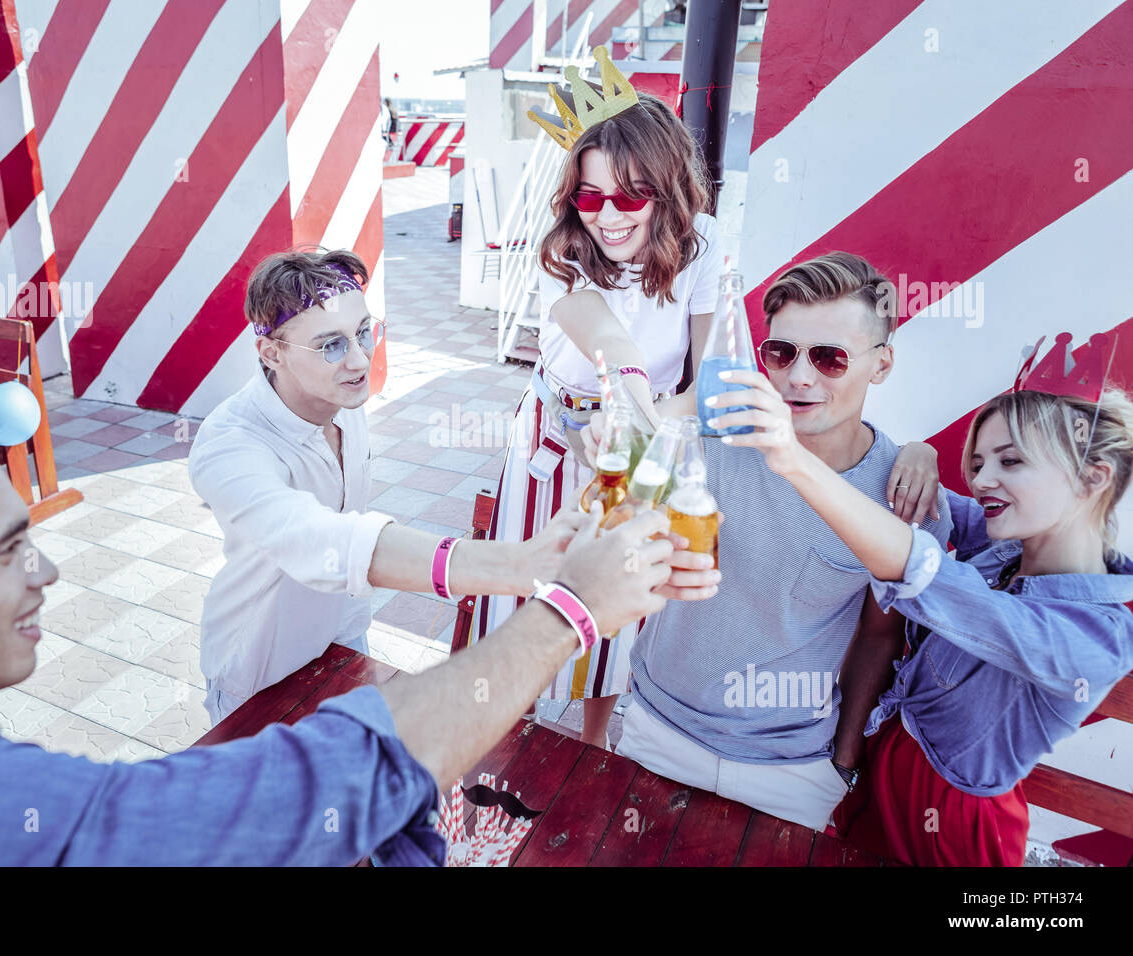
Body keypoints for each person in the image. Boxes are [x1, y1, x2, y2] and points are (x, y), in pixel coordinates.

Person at [0, 396, 718, 865]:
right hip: (261, 668)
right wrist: (563, 610)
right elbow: (272, 799)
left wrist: (526, 564)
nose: (49, 571)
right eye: (8, 553)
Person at [188, 247, 718, 724]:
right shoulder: (229, 447)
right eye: (329, 346)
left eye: (363, 332)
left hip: (343, 637)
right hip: (259, 663)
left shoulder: (343, 404)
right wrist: (526, 565)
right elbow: (319, 539)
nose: (357, 360)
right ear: (271, 352)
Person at [709, 353, 1133, 865]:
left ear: (1093, 479)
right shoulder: (1006, 545)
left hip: (956, 821)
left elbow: (923, 568)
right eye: (978, 463)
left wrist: (793, 460)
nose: (982, 480)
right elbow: (905, 499)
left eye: (1011, 461)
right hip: (882, 769)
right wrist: (917, 454)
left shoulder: (1098, 637)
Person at [605, 251, 949, 832]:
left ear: (881, 365)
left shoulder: (900, 493)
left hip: (792, 769)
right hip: (657, 727)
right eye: (781, 352)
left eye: (830, 357)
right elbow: (618, 487)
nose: (800, 376)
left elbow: (880, 634)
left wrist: (842, 760)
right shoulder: (713, 437)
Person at [472, 64, 727, 747]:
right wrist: (628, 403)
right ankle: (509, 725)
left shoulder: (701, 246)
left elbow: (707, 377)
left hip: (645, 439)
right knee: (531, 580)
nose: (609, 215)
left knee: (617, 593)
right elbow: (603, 334)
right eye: (591, 196)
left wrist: (644, 430)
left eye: (630, 194)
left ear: (665, 186)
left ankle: (592, 742)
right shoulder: (567, 249)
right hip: (555, 432)